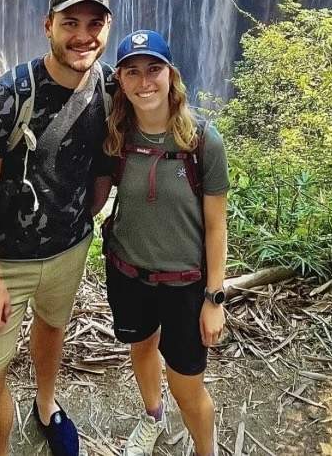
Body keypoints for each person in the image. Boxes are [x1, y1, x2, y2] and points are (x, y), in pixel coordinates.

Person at [0, 0, 115, 456]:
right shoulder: (7, 97)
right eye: (70, 22)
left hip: (70, 249)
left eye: (95, 23)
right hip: (6, 262)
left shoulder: (112, 88)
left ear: (107, 29)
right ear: (48, 26)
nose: (82, 35)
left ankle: (46, 405)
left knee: (52, 326)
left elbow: (119, 156)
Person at [93, 30, 230, 456]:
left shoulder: (202, 142)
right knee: (142, 347)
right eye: (132, 72)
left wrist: (215, 299)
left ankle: (205, 450)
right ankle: (153, 416)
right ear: (120, 80)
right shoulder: (116, 136)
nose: (144, 81)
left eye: (154, 69)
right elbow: (90, 194)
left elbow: (216, 227)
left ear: (171, 75)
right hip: (129, 272)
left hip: (186, 285)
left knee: (187, 385)